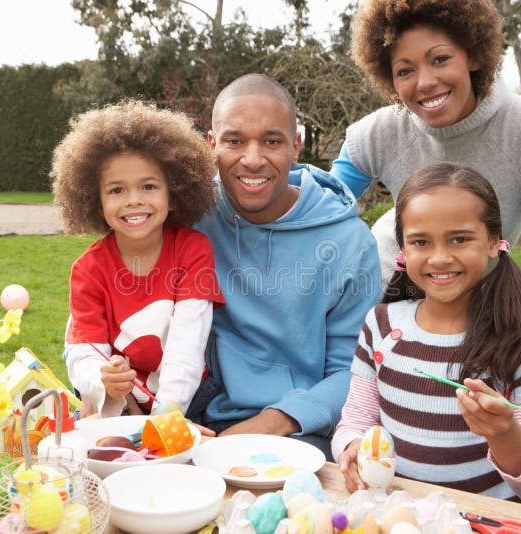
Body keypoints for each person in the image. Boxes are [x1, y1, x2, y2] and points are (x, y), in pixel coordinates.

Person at [332, 162, 521, 509]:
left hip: (482, 522)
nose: (440, 258)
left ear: (492, 242)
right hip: (396, 516)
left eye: (459, 239)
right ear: (404, 251)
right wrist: (352, 446)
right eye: (421, 242)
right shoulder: (380, 326)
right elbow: (354, 421)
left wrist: (505, 436)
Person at [331, 0, 521, 299]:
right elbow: (314, 215)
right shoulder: (377, 133)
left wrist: (489, 297)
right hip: (380, 299)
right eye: (405, 71)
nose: (425, 82)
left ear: (471, 54)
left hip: (473, 309)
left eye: (441, 59)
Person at [192, 74, 382, 459]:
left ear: (295, 146)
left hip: (297, 429)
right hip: (193, 413)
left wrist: (272, 422)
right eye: (234, 140)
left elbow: (356, 372)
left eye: (272, 141)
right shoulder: (191, 214)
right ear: (211, 145)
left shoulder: (351, 244)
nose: (252, 158)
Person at [52, 100, 225, 419]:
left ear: (172, 194)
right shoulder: (88, 270)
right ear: (96, 200)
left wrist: (166, 416)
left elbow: (188, 343)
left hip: (185, 400)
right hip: (119, 405)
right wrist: (103, 378)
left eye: (148, 186)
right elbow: (83, 353)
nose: (134, 200)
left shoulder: (192, 250)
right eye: (117, 190)